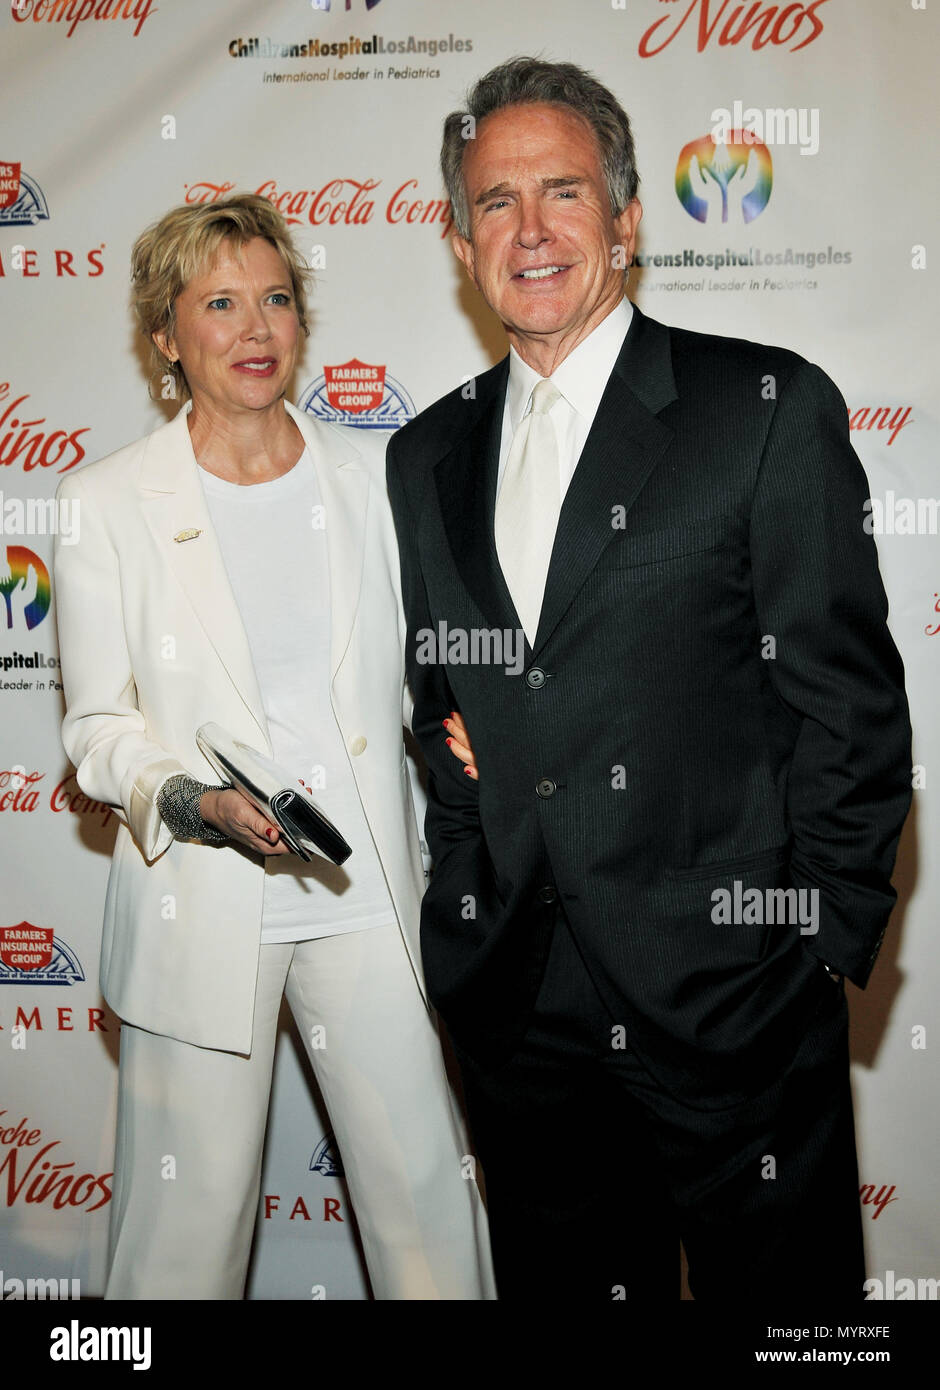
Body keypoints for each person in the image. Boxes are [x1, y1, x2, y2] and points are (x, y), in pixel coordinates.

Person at [387, 58, 912, 1301]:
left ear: (624, 219)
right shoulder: (424, 455)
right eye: (493, 201)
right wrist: (465, 884)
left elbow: (849, 705)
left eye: (561, 191)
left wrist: (814, 944)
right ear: (460, 241)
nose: (529, 230)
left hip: (737, 1002)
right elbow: (442, 702)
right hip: (523, 1021)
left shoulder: (760, 408)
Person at [53, 194, 494, 1300]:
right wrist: (192, 802)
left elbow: (429, 670)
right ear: (165, 334)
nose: (255, 328)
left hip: (368, 896)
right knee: (180, 1242)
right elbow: (97, 728)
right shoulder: (104, 501)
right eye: (220, 303)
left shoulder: (376, 476)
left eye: (277, 299)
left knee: (429, 1216)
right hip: (200, 900)